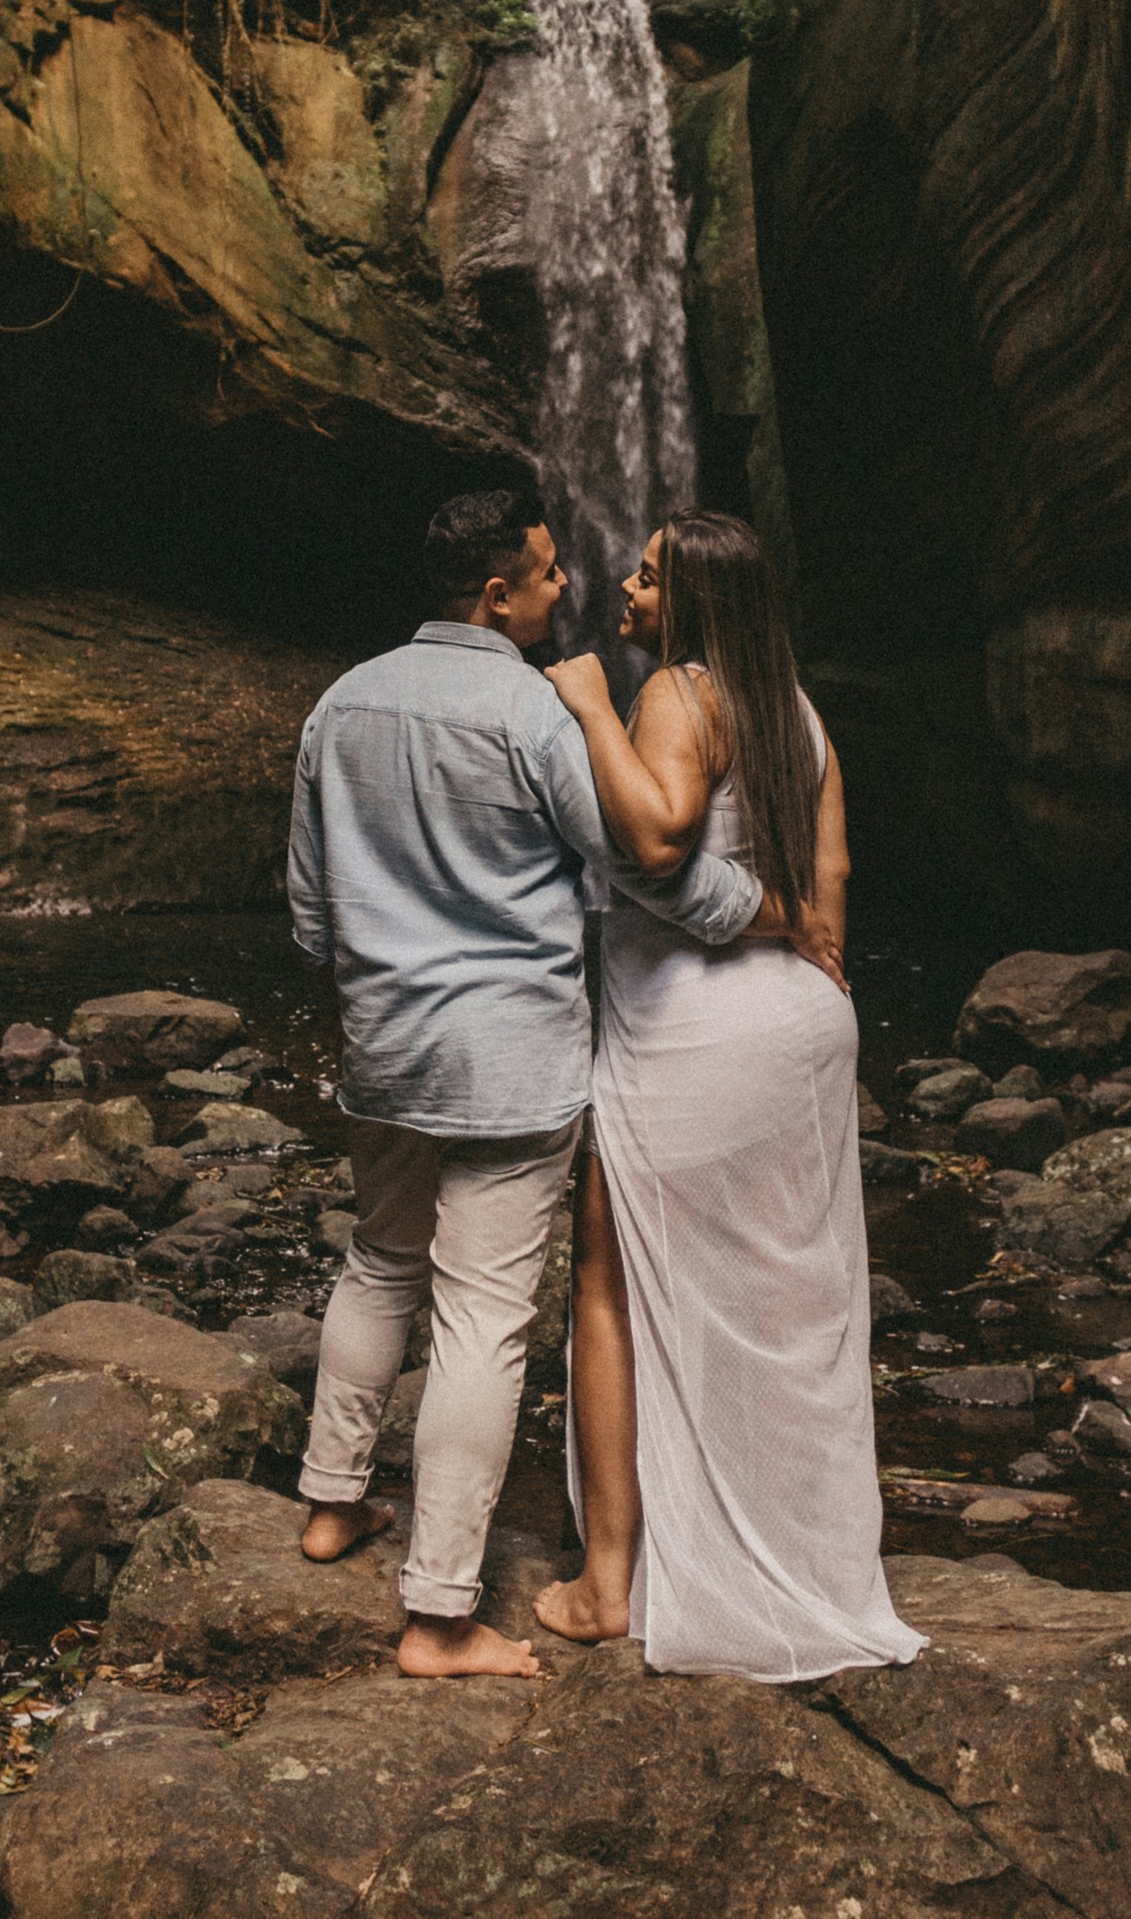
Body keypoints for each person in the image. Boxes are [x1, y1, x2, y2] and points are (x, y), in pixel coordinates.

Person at [282, 487, 819, 1678]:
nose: (568, 585)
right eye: (545, 571)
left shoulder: (339, 702)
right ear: (496, 595)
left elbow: (311, 917)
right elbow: (640, 864)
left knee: (379, 1259)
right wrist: (767, 911)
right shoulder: (536, 714)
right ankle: (438, 1615)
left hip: (384, 1049)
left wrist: (377, 978)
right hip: (510, 1060)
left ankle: (330, 1502)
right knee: (481, 1317)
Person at [532, 508, 924, 1681]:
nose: (626, 586)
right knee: (788, 1298)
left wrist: (589, 706)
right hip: (804, 1022)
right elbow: (831, 878)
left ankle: (608, 1583)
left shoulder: (675, 693)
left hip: (698, 1027)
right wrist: (808, 951)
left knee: (607, 1281)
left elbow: (657, 843)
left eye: (651, 578)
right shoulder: (797, 712)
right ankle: (805, 1560)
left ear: (695, 605)